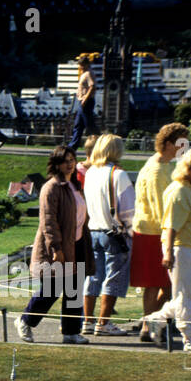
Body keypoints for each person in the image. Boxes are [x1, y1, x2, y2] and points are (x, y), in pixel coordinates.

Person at [15, 146, 89, 344]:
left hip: (77, 243)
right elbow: (49, 221)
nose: (70, 163)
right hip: (58, 247)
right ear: (56, 164)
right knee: (52, 289)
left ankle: (71, 332)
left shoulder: (73, 184)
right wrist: (56, 248)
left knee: (74, 289)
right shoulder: (52, 187)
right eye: (65, 160)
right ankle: (25, 320)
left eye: (72, 159)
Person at [149, 147, 191, 353]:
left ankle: (156, 319)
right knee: (185, 294)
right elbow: (170, 225)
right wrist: (168, 252)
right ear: (186, 167)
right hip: (183, 248)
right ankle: (190, 338)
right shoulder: (177, 191)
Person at [131, 123, 188, 342]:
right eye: (180, 143)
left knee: (166, 283)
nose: (183, 147)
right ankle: (148, 324)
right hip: (153, 232)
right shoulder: (156, 170)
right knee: (155, 283)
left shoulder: (165, 164)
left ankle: (153, 321)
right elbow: (160, 209)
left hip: (158, 231)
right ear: (167, 144)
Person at [82, 134, 135, 335]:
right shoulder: (118, 174)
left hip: (93, 229)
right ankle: (104, 323)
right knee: (113, 277)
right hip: (114, 232)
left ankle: (88, 320)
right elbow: (129, 210)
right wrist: (132, 232)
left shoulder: (91, 173)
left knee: (94, 277)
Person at [67, 55, 97, 151]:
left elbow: (92, 86)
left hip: (86, 102)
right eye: (80, 65)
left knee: (89, 125)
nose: (81, 67)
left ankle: (98, 144)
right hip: (82, 102)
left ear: (87, 64)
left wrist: (85, 99)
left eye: (82, 65)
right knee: (78, 125)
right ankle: (72, 146)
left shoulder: (88, 73)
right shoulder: (84, 73)